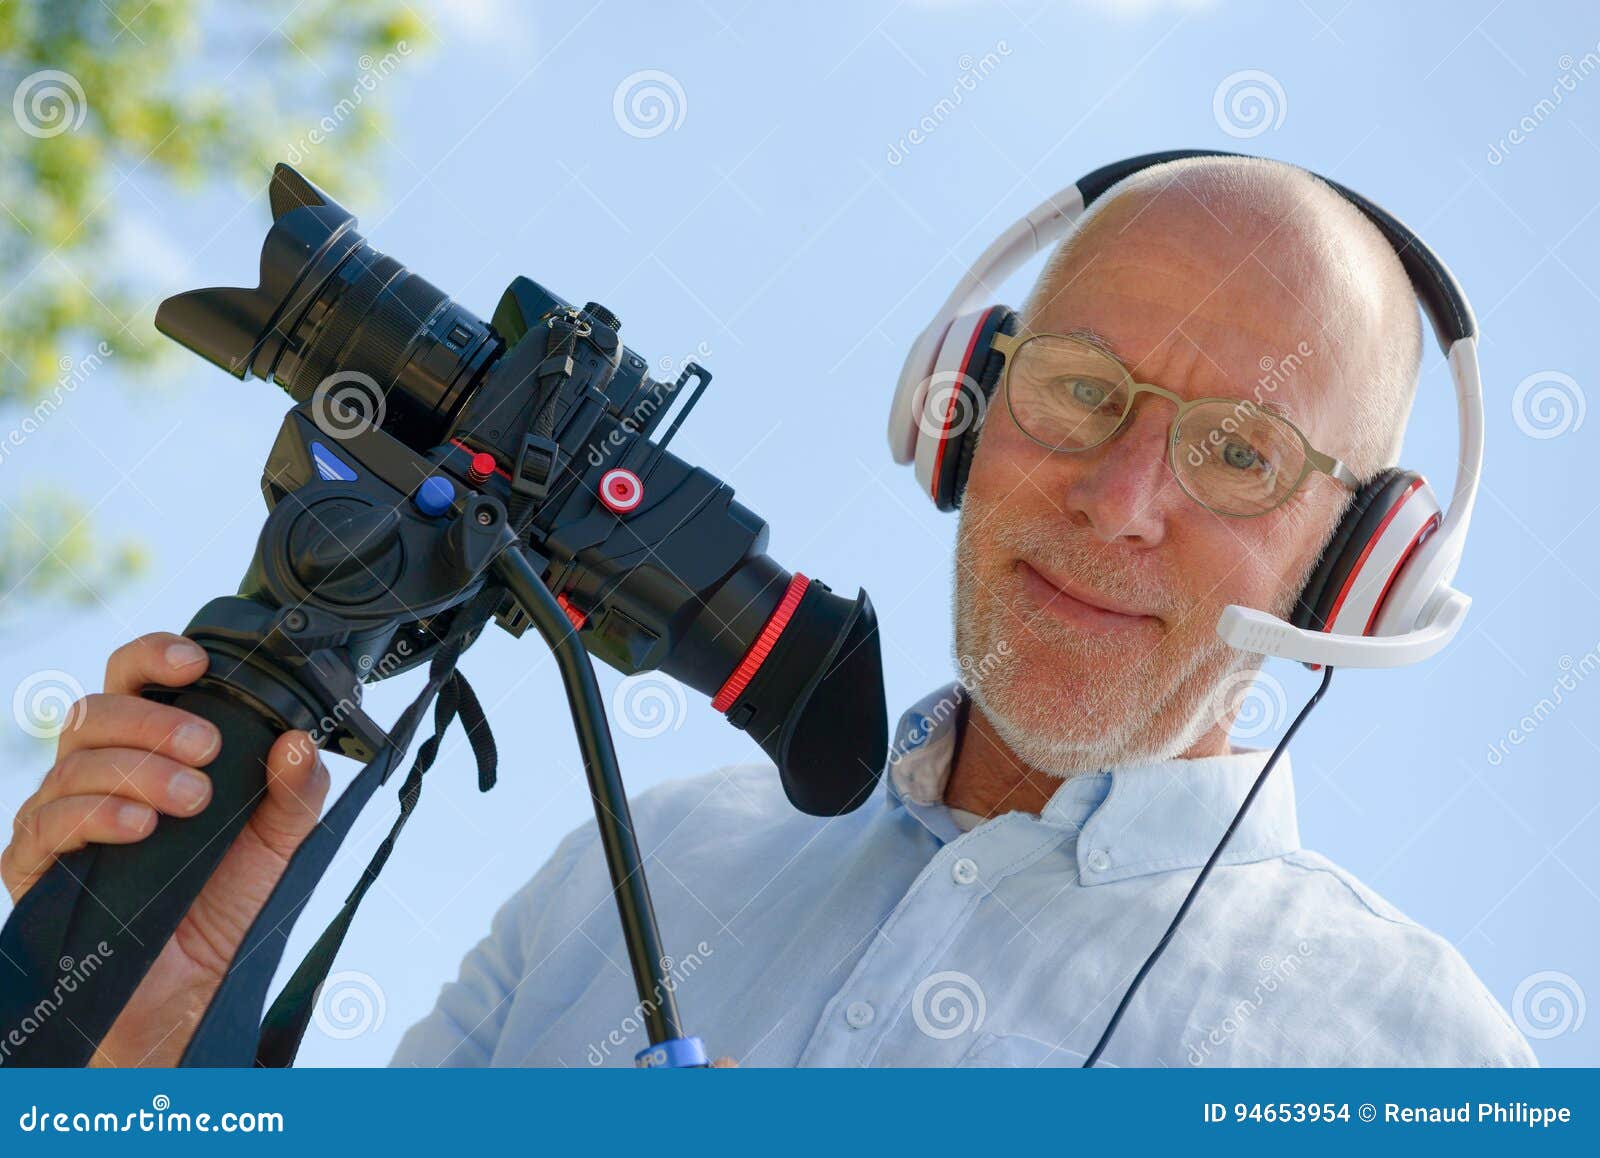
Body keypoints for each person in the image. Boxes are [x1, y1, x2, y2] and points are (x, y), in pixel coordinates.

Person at [2, 155, 1535, 1067]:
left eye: (1240, 453)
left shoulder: (1416, 1046)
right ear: (962, 409)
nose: (1124, 496)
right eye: (1082, 391)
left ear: (1355, 569)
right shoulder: (649, 861)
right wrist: (139, 1053)